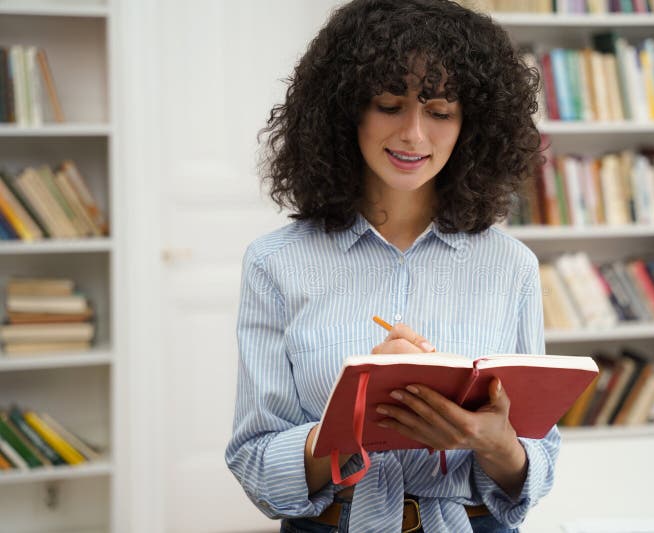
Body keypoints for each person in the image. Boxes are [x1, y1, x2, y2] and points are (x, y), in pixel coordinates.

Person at [225, 0, 561, 531]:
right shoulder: (276, 263)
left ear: (471, 126)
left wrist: (496, 443)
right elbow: (256, 466)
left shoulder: (511, 266)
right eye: (389, 104)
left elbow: (536, 472)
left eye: (441, 111)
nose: (414, 134)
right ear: (345, 110)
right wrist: (352, 418)